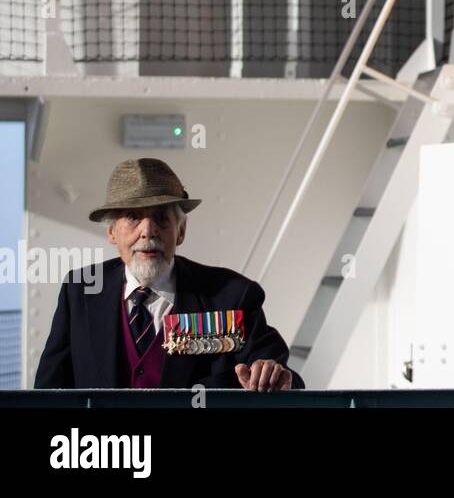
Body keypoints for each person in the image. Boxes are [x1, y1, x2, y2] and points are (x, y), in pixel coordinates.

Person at [35, 158, 305, 391]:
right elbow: (48, 392)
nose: (148, 231)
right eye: (132, 217)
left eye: (161, 217)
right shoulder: (80, 291)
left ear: (181, 230)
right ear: (111, 232)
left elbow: (282, 376)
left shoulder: (231, 294)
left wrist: (274, 374)